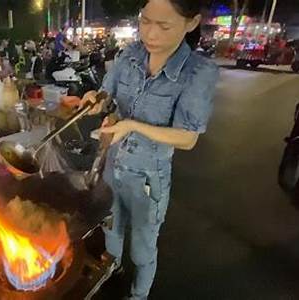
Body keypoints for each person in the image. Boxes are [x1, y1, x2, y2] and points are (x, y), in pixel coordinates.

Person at [67, 0, 219, 299]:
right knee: (111, 228)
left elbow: (188, 138)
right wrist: (94, 101)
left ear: (191, 23)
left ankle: (138, 295)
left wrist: (133, 126)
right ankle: (111, 273)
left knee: (142, 245)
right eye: (145, 21)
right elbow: (106, 97)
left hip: (149, 176)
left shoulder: (199, 72)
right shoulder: (131, 54)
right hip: (113, 162)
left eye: (163, 26)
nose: (150, 34)